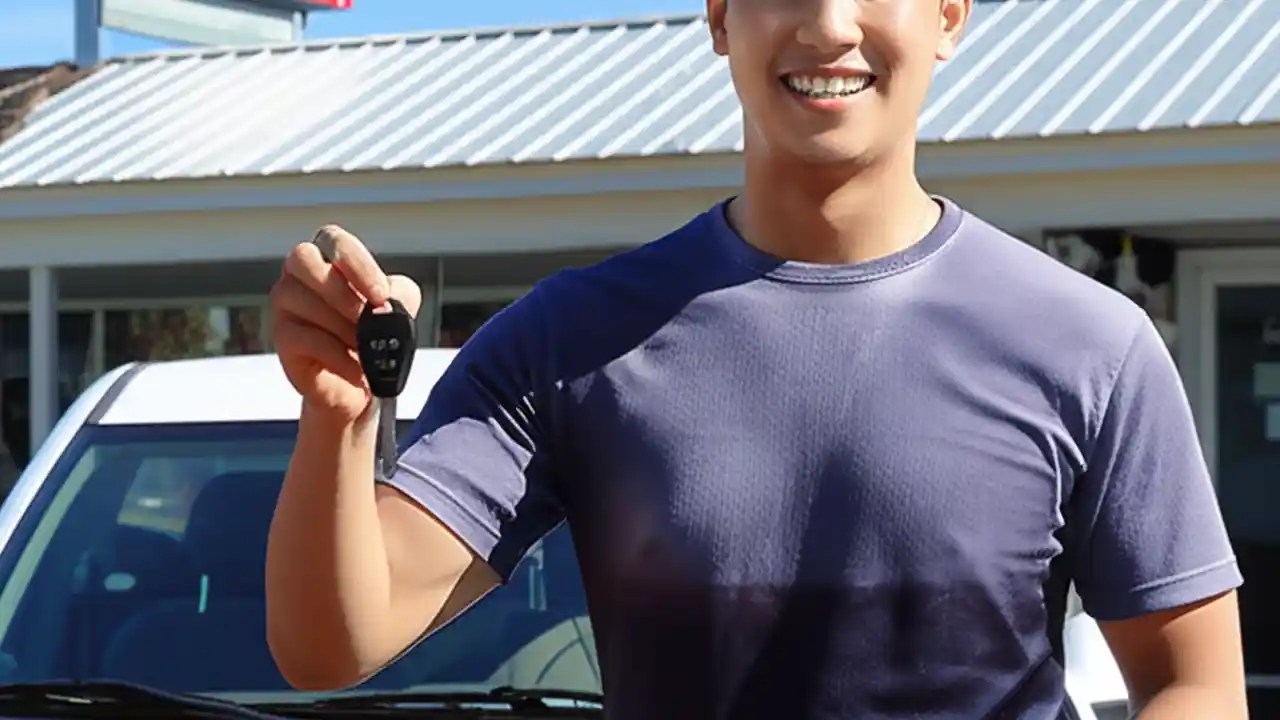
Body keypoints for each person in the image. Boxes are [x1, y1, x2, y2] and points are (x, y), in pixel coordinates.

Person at [264, 1, 1248, 717]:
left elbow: (1193, 684)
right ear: (719, 17)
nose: (825, 25)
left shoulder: (1088, 345)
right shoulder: (566, 340)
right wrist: (338, 424)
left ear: (948, 16)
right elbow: (330, 646)